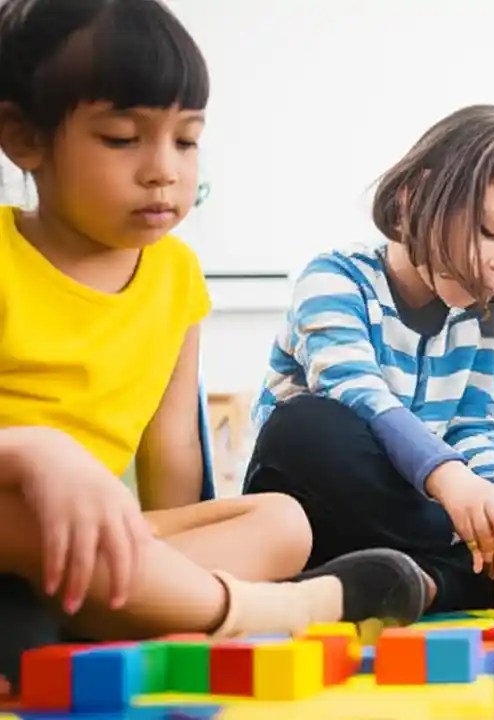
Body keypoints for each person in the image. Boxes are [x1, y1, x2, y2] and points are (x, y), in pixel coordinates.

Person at [0, 0, 426, 689]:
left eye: (187, 139)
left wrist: (150, 551)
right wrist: (32, 450)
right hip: (12, 520)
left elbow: (171, 450)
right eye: (120, 139)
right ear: (24, 139)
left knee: (282, 519)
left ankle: (121, 604)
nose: (162, 170)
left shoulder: (176, 276)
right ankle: (274, 609)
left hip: (93, 545)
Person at [244, 105, 494, 613]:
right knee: (306, 424)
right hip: (328, 504)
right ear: (415, 195)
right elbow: (357, 392)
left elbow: (474, 423)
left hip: (428, 509)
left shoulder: (474, 314)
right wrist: (454, 484)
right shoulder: (335, 277)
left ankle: (423, 583)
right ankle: (448, 564)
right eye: (491, 232)